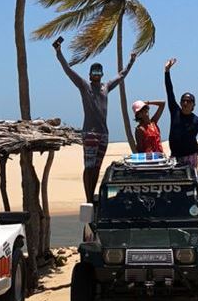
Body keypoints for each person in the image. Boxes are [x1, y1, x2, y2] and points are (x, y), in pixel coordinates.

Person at [53, 36, 137, 201]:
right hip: (90, 133)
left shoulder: (106, 87)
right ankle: (88, 199)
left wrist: (131, 62)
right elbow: (68, 70)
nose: (96, 74)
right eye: (94, 72)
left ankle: (92, 196)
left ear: (102, 74)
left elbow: (121, 75)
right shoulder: (85, 86)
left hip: (104, 133)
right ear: (90, 75)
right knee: (89, 167)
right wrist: (59, 52)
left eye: (99, 72)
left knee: (97, 167)